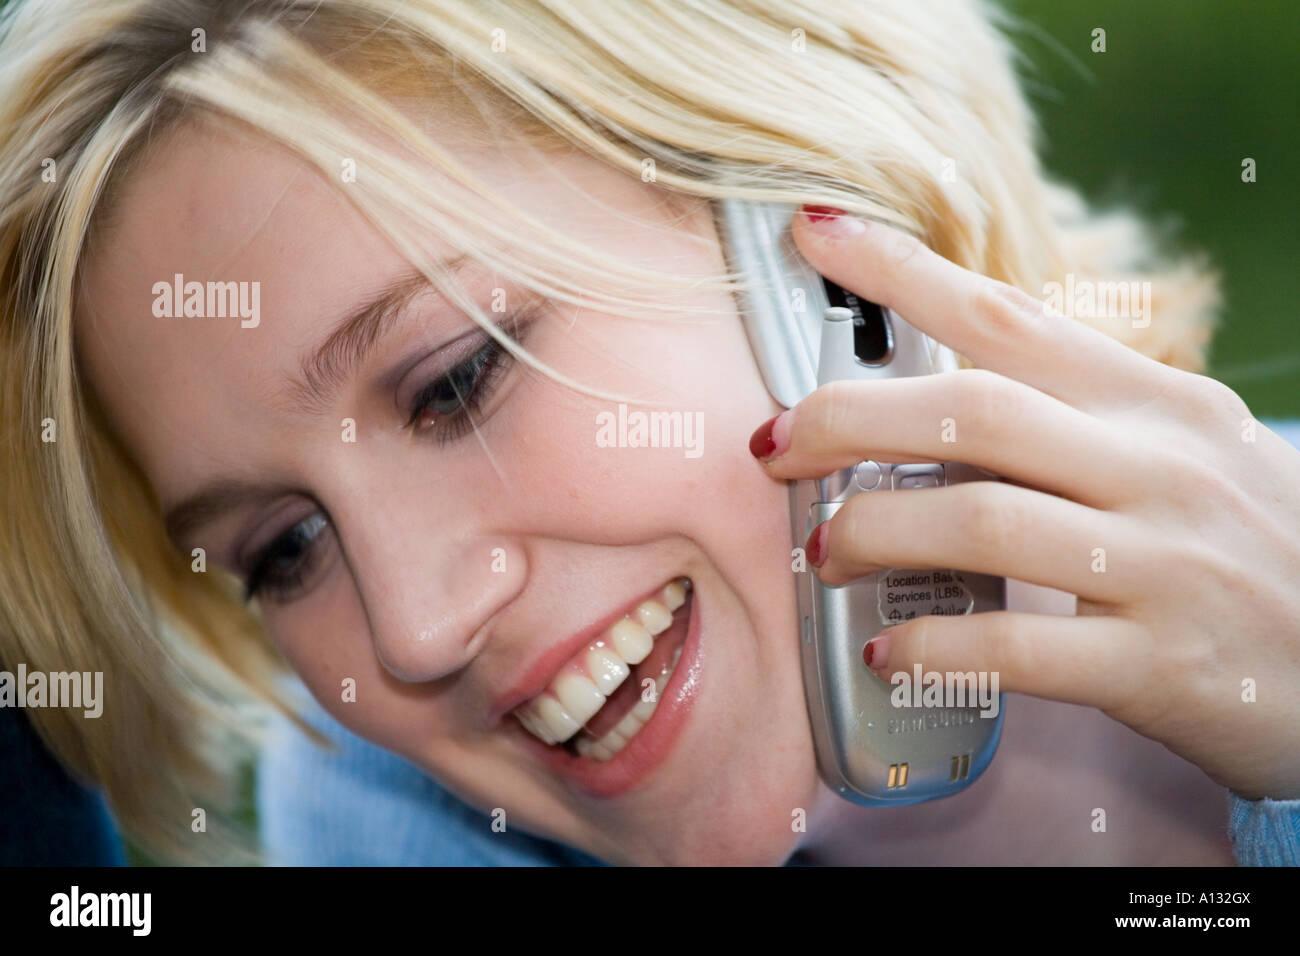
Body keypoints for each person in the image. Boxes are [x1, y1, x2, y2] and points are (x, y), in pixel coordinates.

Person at [1, 0, 1296, 866]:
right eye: (283, 549)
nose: (412, 627)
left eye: (455, 381)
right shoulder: (381, 815)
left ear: (812, 219)